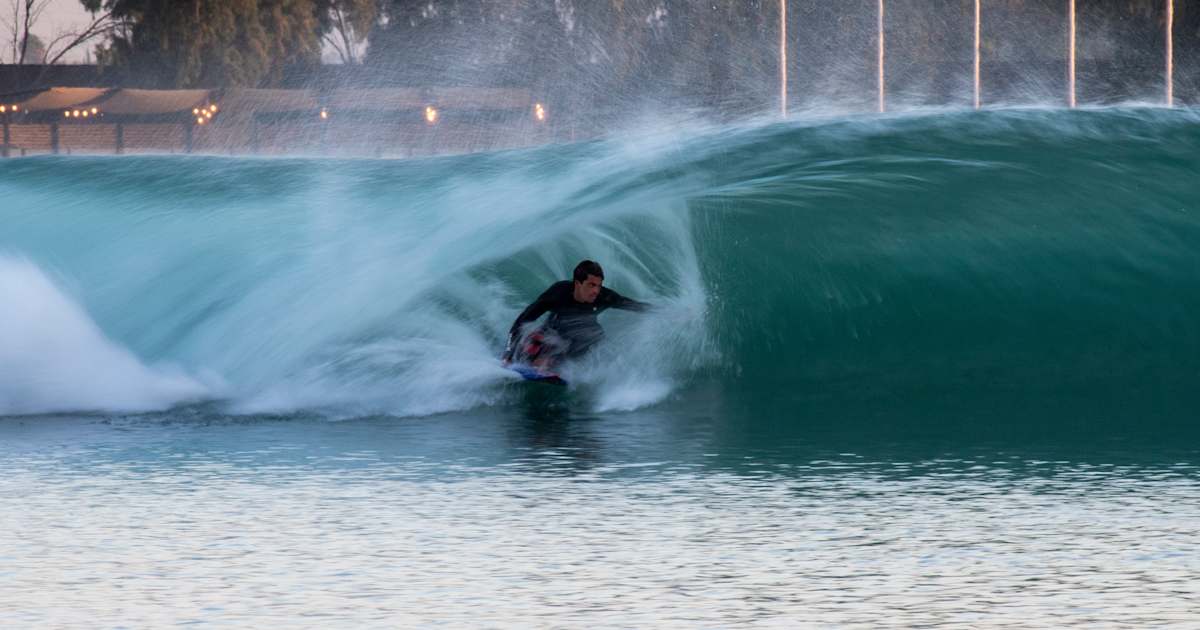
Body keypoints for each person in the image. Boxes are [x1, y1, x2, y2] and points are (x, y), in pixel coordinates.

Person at [502, 260, 649, 369]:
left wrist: (663, 311)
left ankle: (557, 366)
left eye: (599, 285)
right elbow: (523, 320)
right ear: (578, 283)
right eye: (591, 285)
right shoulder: (558, 294)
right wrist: (508, 353)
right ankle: (534, 362)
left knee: (597, 339)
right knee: (537, 341)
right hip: (554, 331)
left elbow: (632, 305)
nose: (596, 291)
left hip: (583, 339)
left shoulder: (604, 296)